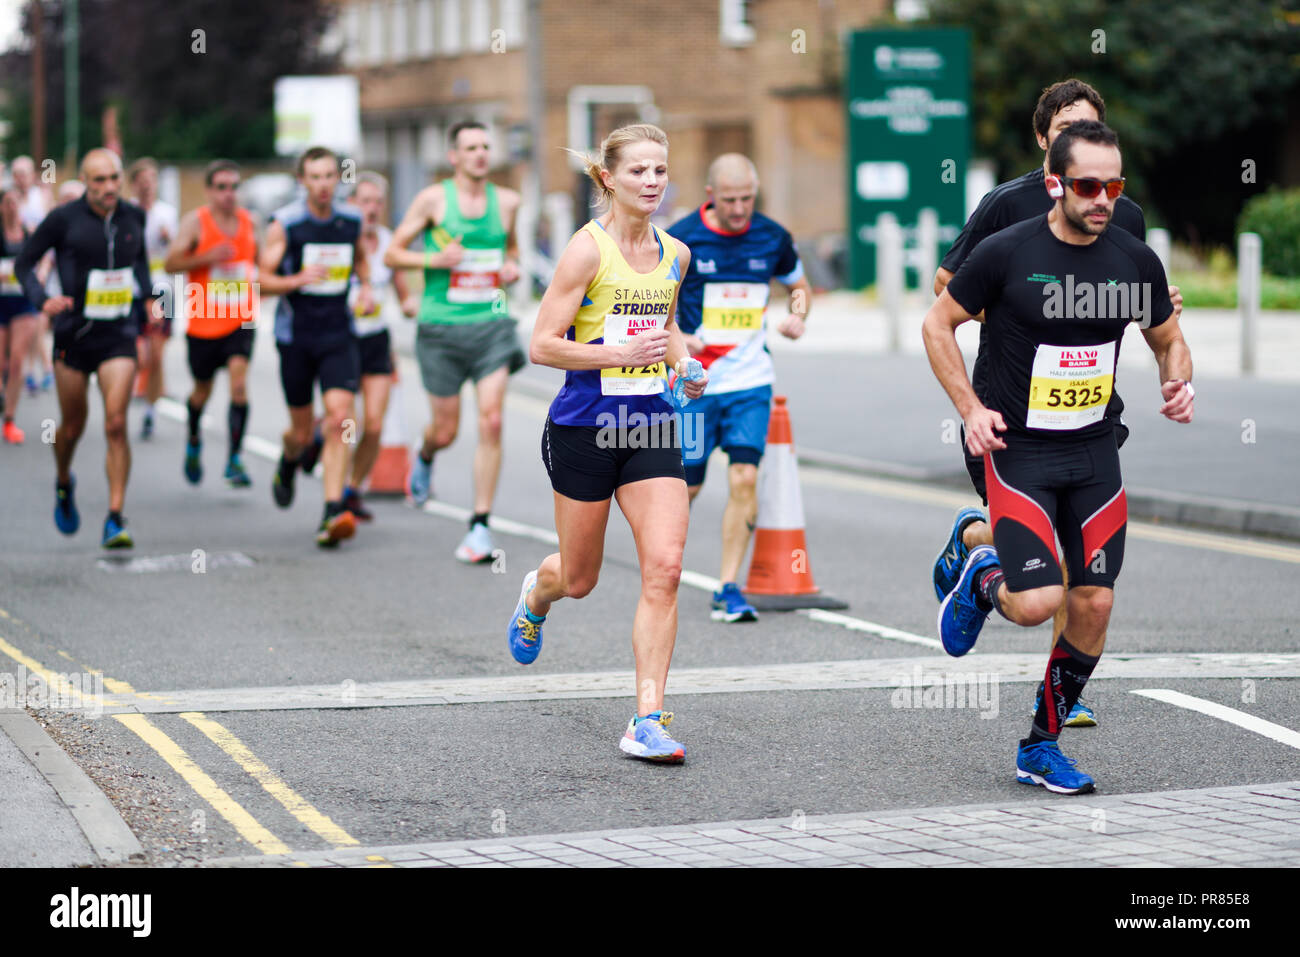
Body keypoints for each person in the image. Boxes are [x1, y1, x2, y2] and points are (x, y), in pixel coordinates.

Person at [922, 120, 1194, 794]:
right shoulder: (1008, 252)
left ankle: (1039, 746)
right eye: (1088, 185)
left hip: (1095, 451)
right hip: (1019, 450)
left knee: (1095, 602)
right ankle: (986, 577)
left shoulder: (1135, 260)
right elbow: (937, 323)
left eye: (1114, 185)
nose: (1103, 198)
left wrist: (1177, 376)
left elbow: (1167, 335)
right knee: (1041, 600)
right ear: (1055, 182)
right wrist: (970, 410)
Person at [506, 123, 707, 762]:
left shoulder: (676, 255)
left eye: (660, 171)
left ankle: (647, 719)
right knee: (580, 577)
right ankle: (537, 593)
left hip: (651, 425)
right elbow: (540, 343)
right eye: (638, 172)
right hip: (584, 428)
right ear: (608, 179)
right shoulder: (585, 251)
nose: (652, 182)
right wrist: (614, 353)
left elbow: (667, 326)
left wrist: (685, 364)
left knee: (667, 568)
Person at [667, 153, 811, 622]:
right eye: (730, 200)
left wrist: (798, 314)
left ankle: (728, 585)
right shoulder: (681, 238)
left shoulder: (772, 237)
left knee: (745, 477)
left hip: (751, 381)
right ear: (712, 195)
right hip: (693, 383)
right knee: (686, 487)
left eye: (747, 198)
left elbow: (798, 285)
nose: (739, 209)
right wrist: (680, 338)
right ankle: (664, 569)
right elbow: (657, 302)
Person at [383, 120, 524, 563]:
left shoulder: (508, 202)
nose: (481, 154)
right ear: (454, 157)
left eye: (486, 146)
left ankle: (480, 525)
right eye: (471, 147)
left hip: (492, 325)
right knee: (446, 430)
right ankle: (425, 455)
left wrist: (512, 268)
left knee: (492, 421)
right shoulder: (432, 200)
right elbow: (392, 253)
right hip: (441, 328)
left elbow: (512, 251)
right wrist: (434, 259)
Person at [14, 149, 154, 548]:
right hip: (74, 335)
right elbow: (25, 263)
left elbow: (141, 263)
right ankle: (63, 480)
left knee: (115, 423)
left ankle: (114, 517)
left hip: (119, 334)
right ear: (84, 182)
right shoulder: (62, 219)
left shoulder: (133, 216)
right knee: (72, 427)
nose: (109, 187)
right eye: (99, 181)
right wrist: (42, 300)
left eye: (114, 178)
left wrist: (149, 302)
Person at [260, 146, 373, 547]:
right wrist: (297, 279)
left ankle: (332, 511)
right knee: (301, 431)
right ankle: (290, 461)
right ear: (302, 181)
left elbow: (361, 259)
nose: (324, 184)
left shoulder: (351, 220)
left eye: (330, 176)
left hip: (338, 334)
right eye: (315, 177)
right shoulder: (286, 224)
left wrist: (366, 289)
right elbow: (261, 280)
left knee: (340, 417)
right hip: (296, 337)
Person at [161, 159, 259, 488]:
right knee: (202, 391)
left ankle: (234, 458)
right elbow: (171, 264)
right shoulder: (196, 223)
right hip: (203, 324)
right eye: (222, 187)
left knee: (239, 384)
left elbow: (257, 266)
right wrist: (206, 257)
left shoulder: (250, 222)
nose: (229, 194)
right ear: (209, 191)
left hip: (242, 321)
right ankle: (193, 438)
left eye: (234, 187)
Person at [333, 171, 418, 521]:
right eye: (364, 201)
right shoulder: (338, 239)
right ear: (351, 203)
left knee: (375, 425)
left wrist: (416, 306)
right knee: (344, 422)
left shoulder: (387, 243)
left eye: (377, 202)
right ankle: (333, 497)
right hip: (339, 339)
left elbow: (403, 294)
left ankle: (353, 489)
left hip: (376, 341)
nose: (371, 208)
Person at [127, 158, 179, 439]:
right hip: (133, 291)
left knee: (157, 355)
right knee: (139, 356)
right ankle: (128, 397)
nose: (147, 185)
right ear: (134, 184)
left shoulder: (167, 213)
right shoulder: (127, 213)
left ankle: (150, 412)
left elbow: (177, 253)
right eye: (142, 180)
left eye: (152, 180)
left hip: (163, 290)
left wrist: (170, 239)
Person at [12, 156, 55, 395]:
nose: (20, 178)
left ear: (32, 174)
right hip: (15, 268)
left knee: (37, 317)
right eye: (16, 173)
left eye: (24, 173)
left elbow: (51, 234)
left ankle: (39, 368)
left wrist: (45, 267)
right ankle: (32, 369)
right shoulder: (9, 199)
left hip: (39, 265)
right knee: (26, 319)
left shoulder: (42, 198)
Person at [0, 189, 41, 442]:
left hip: (23, 303)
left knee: (17, 361)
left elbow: (45, 259)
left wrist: (41, 275)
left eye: (16, 202)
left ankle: (10, 420)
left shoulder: (29, 234)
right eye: (7, 203)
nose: (13, 207)